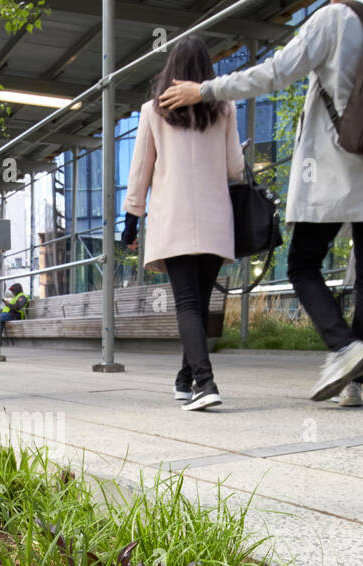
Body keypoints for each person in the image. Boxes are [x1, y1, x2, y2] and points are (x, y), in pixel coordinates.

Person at [160, 0, 363, 404]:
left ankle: (344, 347)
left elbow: (275, 72)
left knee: (302, 264)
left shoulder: (334, 19)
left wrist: (205, 89)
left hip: (336, 167)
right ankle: (353, 383)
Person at [122, 34, 245, 412]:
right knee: (198, 304)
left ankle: (205, 384)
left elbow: (140, 171)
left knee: (188, 304)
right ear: (207, 71)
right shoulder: (224, 109)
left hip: (174, 221)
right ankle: (185, 380)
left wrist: (130, 224)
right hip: (213, 221)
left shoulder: (152, 110)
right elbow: (235, 168)